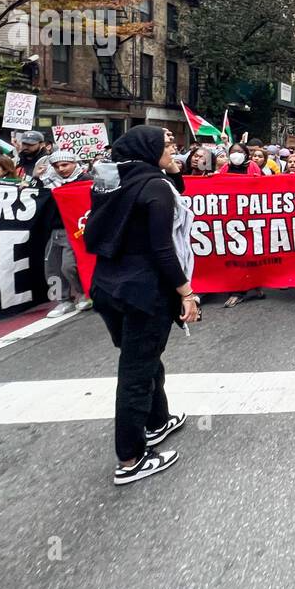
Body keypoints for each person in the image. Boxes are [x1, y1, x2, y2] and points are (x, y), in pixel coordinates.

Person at [83, 126, 197, 484]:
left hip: (107, 288)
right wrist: (186, 291)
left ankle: (157, 421)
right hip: (145, 292)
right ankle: (130, 457)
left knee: (143, 358)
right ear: (149, 149)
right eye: (166, 146)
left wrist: (174, 173)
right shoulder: (155, 187)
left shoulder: (110, 182)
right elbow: (162, 248)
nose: (174, 151)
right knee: (135, 371)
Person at [41, 149, 93, 318]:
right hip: (54, 231)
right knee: (52, 268)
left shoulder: (86, 180)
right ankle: (63, 301)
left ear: (74, 163)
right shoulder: (48, 182)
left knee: (69, 266)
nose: (61, 169)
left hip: (74, 230)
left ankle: (85, 293)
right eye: (57, 166)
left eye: (65, 164)